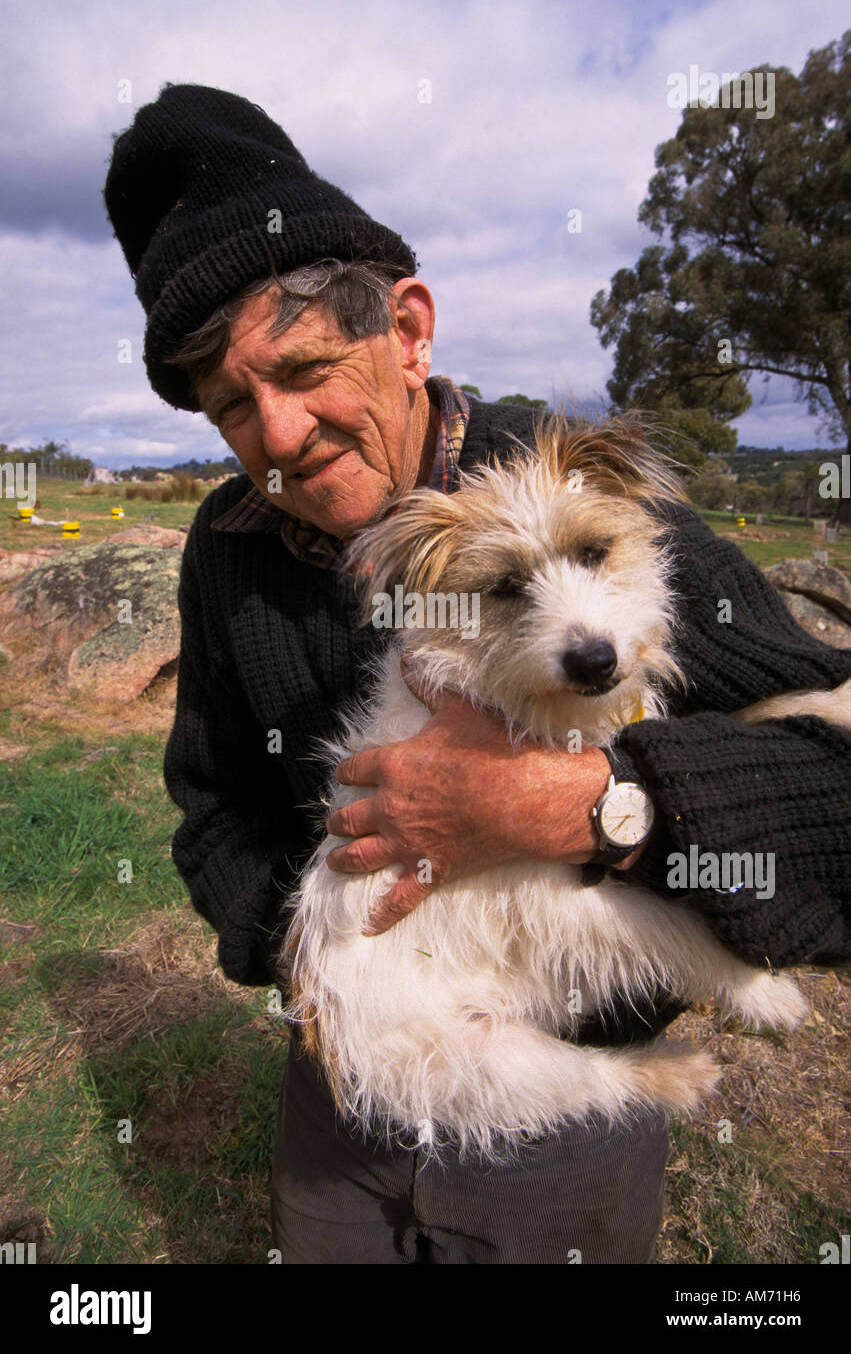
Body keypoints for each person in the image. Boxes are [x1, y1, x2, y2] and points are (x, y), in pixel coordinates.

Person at [104, 82, 851, 1265]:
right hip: (346, 1097)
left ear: (406, 327)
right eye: (231, 407)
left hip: (578, 1105)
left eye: (301, 371)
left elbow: (835, 785)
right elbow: (210, 809)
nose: (279, 438)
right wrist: (303, 957)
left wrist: (584, 805)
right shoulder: (227, 547)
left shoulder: (577, 499)